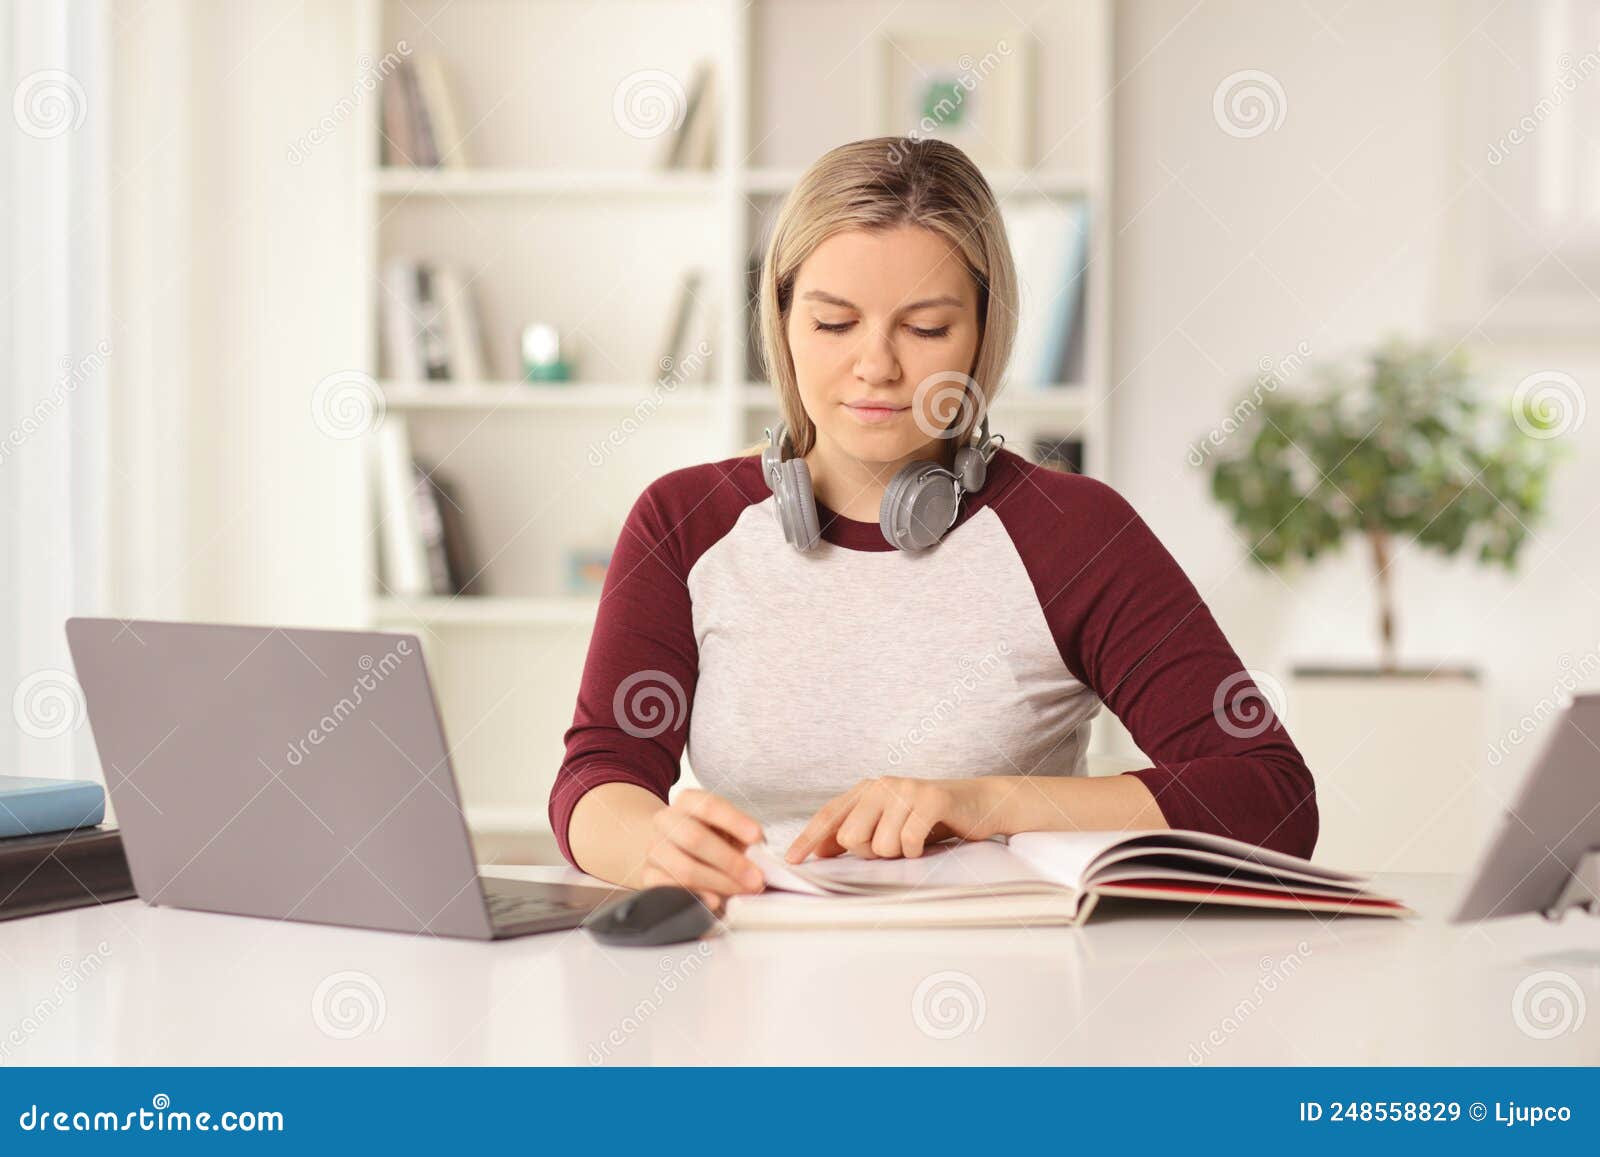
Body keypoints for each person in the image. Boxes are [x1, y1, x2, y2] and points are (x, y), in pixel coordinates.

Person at [549, 136, 1316, 911]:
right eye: (834, 323)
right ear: (781, 323)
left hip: (1001, 991)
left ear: (983, 332)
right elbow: (596, 777)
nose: (876, 366)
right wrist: (652, 843)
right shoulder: (685, 520)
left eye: (924, 329)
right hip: (746, 978)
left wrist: (991, 803)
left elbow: (1270, 796)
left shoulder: (1076, 532)